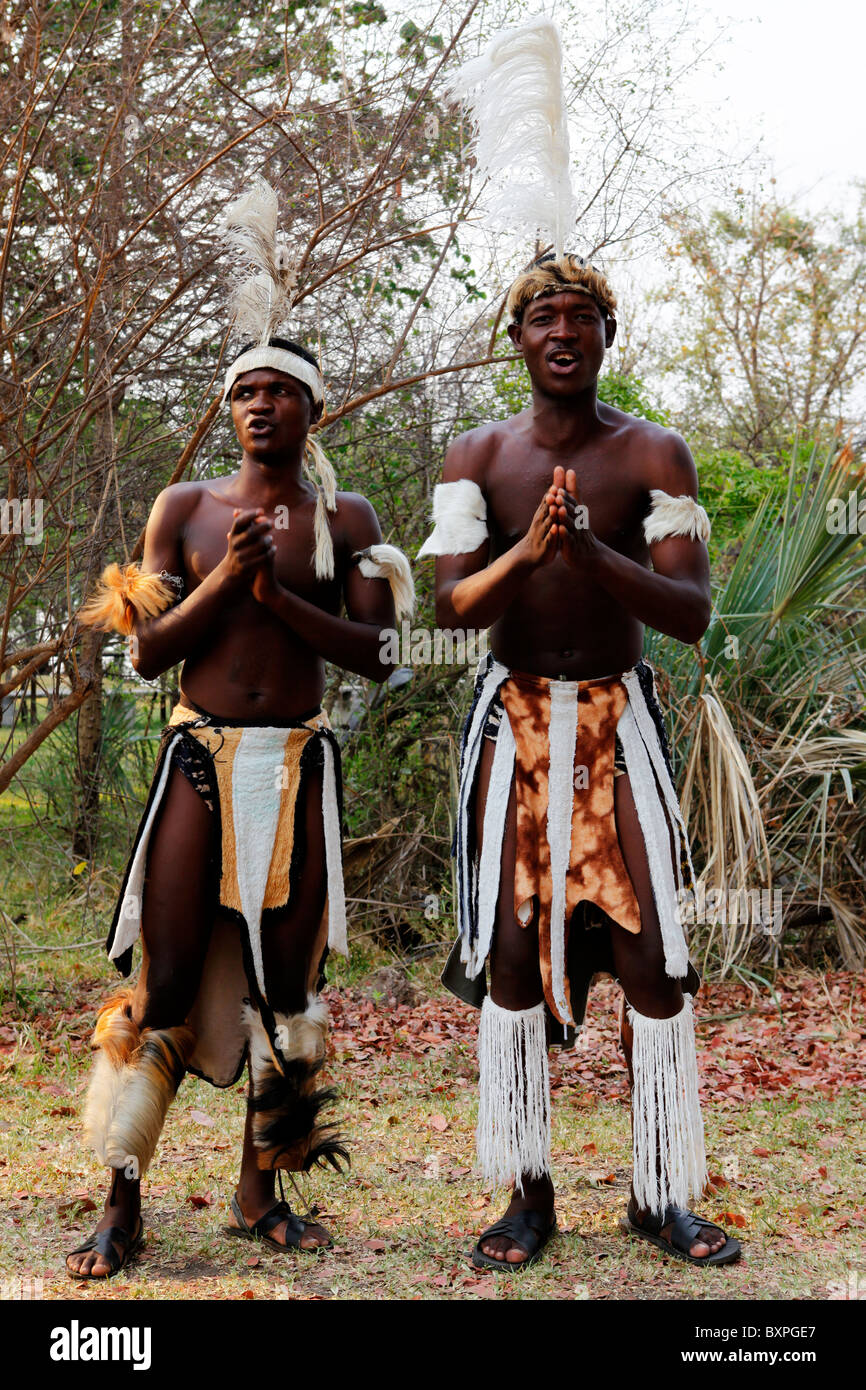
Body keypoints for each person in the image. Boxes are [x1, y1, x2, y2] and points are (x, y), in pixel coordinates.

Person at [66, 317, 413, 1278]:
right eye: (246, 392)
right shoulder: (183, 506)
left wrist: (280, 602)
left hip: (296, 765)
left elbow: (381, 656)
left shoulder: (350, 521)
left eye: (281, 390)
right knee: (167, 982)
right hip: (198, 759)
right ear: (230, 410)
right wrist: (229, 576)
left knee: (287, 989)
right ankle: (121, 1200)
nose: (262, 404)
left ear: (314, 406)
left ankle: (260, 1193)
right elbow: (148, 652)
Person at [421, 252, 741, 1271]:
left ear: (608, 335)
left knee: (652, 962)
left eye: (581, 318)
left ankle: (657, 1191)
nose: (561, 333)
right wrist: (528, 552)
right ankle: (528, 1196)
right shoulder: (475, 455)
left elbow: (690, 614)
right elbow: (451, 606)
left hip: (616, 727)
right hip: (512, 723)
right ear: (514, 339)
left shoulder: (654, 455)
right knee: (512, 958)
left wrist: (594, 554)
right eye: (541, 318)